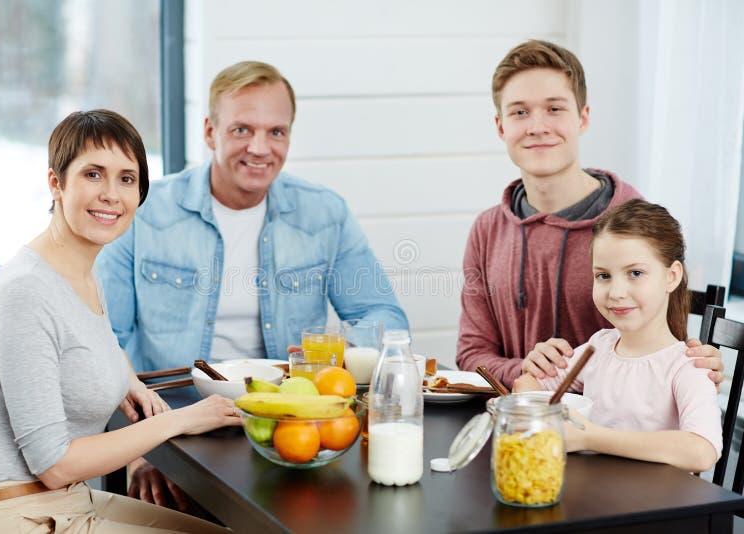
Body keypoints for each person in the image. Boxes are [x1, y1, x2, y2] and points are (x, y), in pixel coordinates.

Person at [97, 61, 408, 507]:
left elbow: (384, 318)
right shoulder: (145, 213)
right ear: (210, 131)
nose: (260, 148)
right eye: (242, 129)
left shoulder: (324, 214)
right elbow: (107, 343)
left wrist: (327, 355)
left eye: (276, 132)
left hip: (290, 426)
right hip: (176, 427)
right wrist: (142, 449)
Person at [0, 110, 241, 533]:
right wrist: (181, 419)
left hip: (60, 500)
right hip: (2, 511)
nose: (111, 194)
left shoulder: (82, 269)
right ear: (56, 183)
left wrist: (128, 380)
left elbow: (84, 342)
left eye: (126, 179)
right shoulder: (25, 292)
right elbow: (53, 463)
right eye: (93, 174)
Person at [456, 39, 724, 389]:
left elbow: (661, 360)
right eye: (520, 112)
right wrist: (526, 370)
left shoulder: (636, 224)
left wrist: (696, 365)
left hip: (613, 431)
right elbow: (472, 353)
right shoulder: (487, 230)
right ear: (501, 126)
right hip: (517, 426)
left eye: (554, 109)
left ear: (583, 118)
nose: (537, 126)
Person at [513, 199, 721, 472]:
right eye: (603, 276)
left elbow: (702, 451)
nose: (616, 292)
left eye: (635, 273)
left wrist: (588, 436)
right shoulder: (599, 346)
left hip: (655, 509)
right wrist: (543, 413)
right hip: (593, 497)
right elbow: (526, 385)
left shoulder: (688, 365)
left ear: (671, 277)